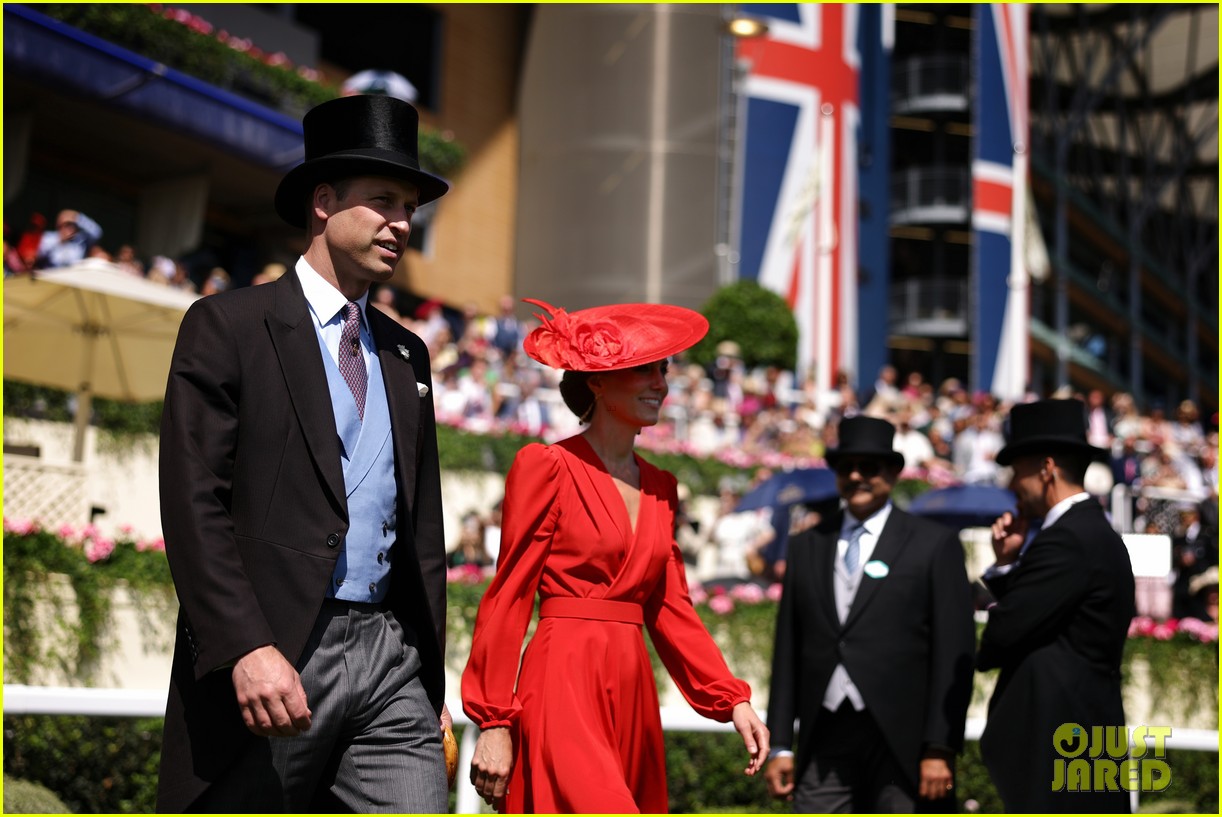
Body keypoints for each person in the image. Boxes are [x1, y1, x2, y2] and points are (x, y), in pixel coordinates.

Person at [156, 94, 453, 812]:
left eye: (410, 207)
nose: (401, 223)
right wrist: (243, 645)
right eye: (383, 200)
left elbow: (422, 530)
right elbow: (193, 502)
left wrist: (426, 671)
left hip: (389, 654)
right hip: (277, 645)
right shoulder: (227, 325)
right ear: (323, 202)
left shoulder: (407, 352)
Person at [461, 299, 770, 813]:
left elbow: (671, 609)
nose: (661, 384)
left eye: (663, 368)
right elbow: (509, 594)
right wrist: (494, 720)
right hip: (563, 677)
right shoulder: (546, 466)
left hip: (632, 689)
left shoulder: (662, 487)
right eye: (642, 369)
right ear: (596, 383)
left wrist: (730, 697)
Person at [765, 415, 975, 812]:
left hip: (904, 741)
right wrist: (779, 744)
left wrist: (940, 745)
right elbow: (788, 650)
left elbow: (954, 652)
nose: (857, 476)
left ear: (894, 472)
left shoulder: (934, 544)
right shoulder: (806, 545)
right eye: (847, 466)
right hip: (824, 734)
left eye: (870, 466)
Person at [976, 399, 1136, 812]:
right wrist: (1009, 562)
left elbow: (1004, 632)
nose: (1012, 485)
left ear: (1046, 468)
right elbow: (1045, 611)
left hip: (1062, 742)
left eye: (1017, 470)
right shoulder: (1090, 531)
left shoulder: (1068, 537)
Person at [34, 208, 102, 269]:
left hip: (70, 278)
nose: (71, 229)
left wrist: (79, 218)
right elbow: (37, 255)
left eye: (74, 226)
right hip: (48, 275)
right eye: (67, 225)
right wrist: (60, 241)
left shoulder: (80, 242)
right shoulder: (49, 237)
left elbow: (97, 233)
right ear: (60, 226)